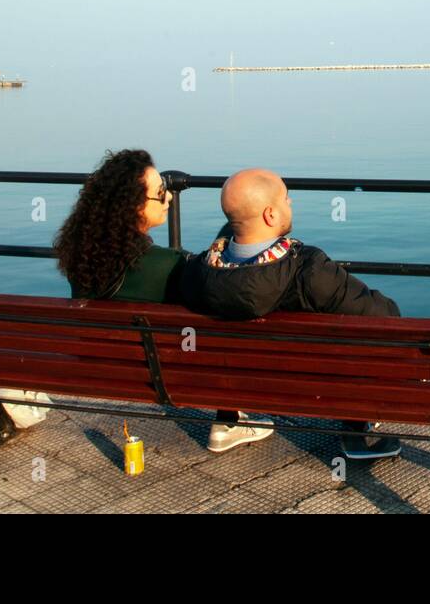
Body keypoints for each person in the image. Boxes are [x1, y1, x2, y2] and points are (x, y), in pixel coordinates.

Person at [53, 149, 272, 453]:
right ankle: (228, 419)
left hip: (103, 367)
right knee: (225, 322)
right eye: (160, 193)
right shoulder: (168, 266)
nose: (169, 198)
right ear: (132, 206)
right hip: (172, 374)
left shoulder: (83, 259)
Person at [179, 168, 403, 459]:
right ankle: (356, 431)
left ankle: (227, 419)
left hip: (234, 383)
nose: (291, 203)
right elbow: (384, 319)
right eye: (286, 198)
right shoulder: (308, 270)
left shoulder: (197, 275)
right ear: (270, 215)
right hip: (321, 389)